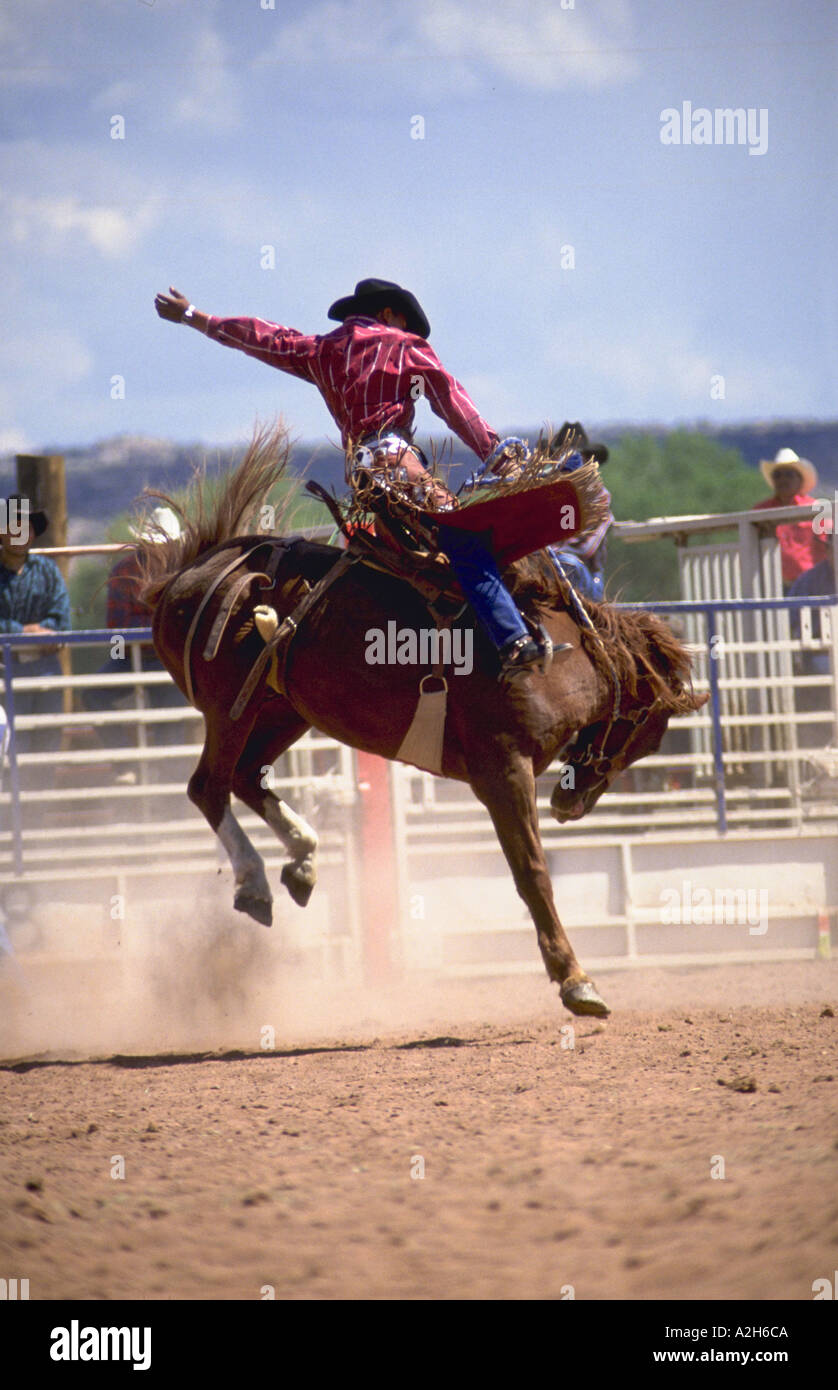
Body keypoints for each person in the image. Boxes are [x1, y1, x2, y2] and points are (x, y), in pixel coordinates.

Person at [154, 277, 547, 678]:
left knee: (409, 567)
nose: (407, 330)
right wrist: (498, 457)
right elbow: (451, 401)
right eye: (405, 321)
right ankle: (512, 640)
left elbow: (262, 338)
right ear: (388, 313)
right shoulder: (405, 346)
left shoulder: (321, 349)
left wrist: (193, 316)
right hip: (397, 467)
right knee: (464, 539)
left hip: (364, 480)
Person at [0, 494, 71, 776]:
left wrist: (45, 633)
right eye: (14, 525)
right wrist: (24, 632)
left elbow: (62, 621)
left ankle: (35, 812)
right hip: (4, 672)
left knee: (46, 746)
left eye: (26, 526)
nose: (21, 532)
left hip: (45, 672)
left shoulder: (47, 571)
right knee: (9, 746)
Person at [751, 448, 828, 592]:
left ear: (800, 479)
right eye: (777, 475)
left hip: (811, 583)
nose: (783, 479)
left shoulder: (815, 508)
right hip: (773, 584)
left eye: (789, 474)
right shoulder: (760, 510)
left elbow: (828, 545)